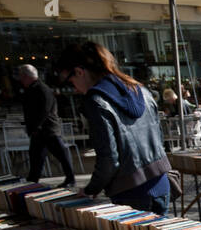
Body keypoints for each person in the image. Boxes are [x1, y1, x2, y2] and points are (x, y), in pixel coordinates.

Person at [53, 40, 171, 215]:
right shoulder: (140, 90)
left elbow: (109, 158)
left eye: (71, 82)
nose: (75, 89)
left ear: (79, 71)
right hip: (161, 184)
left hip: (130, 193)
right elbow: (159, 138)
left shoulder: (96, 101)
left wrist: (91, 189)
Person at [15, 65, 75, 188]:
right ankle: (33, 179)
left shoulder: (41, 89)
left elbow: (44, 110)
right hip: (41, 130)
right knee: (36, 155)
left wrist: (36, 126)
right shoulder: (35, 88)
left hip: (47, 129)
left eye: (21, 77)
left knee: (60, 154)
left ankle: (70, 178)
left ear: (26, 77)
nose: (20, 80)